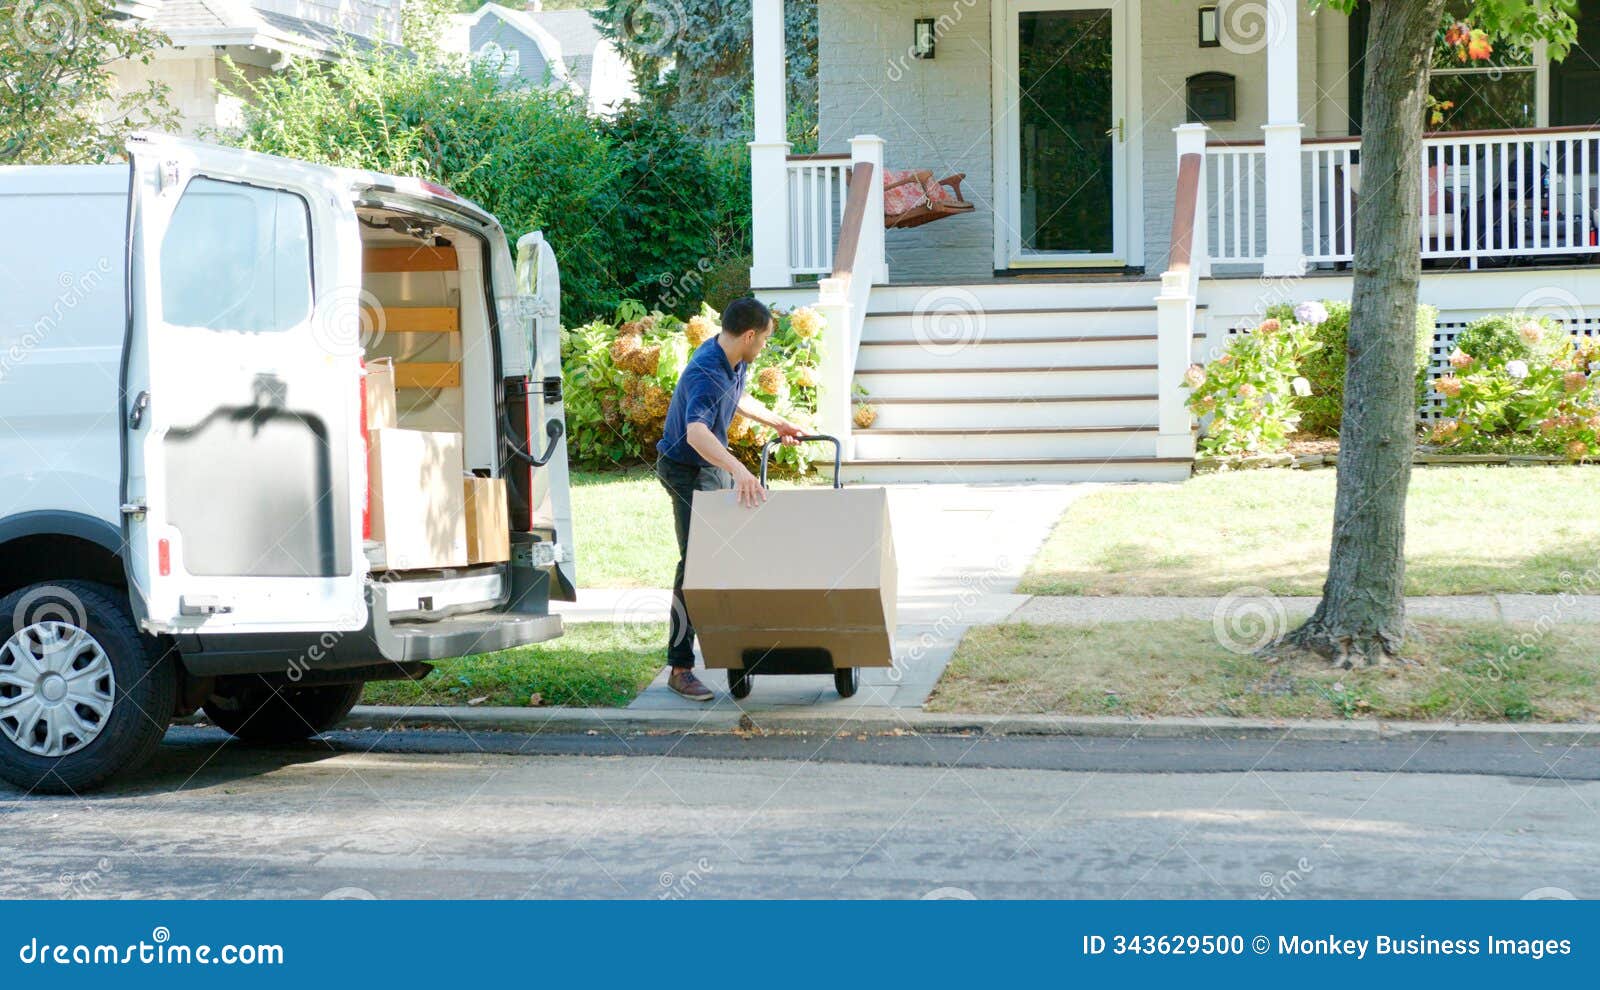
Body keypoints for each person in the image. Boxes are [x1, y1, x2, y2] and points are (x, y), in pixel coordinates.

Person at [654, 298, 802, 701]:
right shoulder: (705, 371)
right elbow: (697, 433)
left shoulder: (735, 358)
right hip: (684, 469)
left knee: (725, 556)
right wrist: (739, 470)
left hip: (709, 466)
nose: (766, 347)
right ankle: (680, 668)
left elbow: (735, 399)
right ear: (750, 335)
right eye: (766, 339)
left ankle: (733, 648)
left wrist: (778, 422)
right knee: (696, 563)